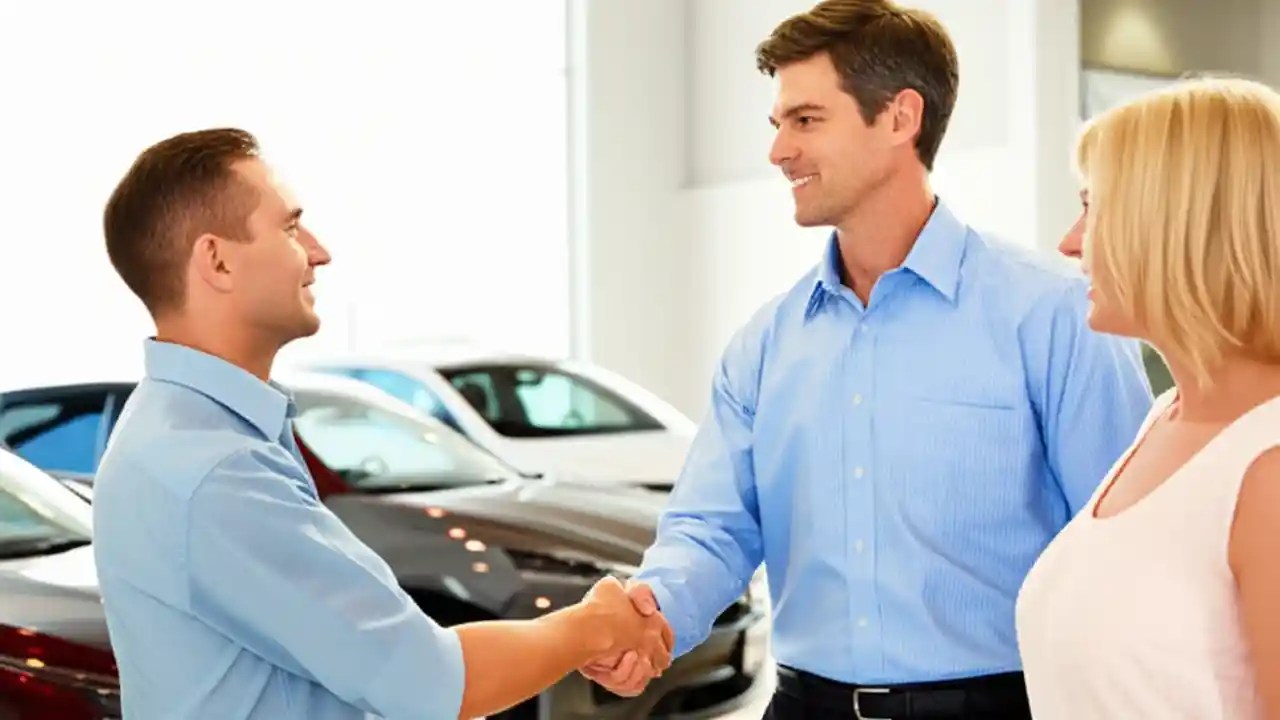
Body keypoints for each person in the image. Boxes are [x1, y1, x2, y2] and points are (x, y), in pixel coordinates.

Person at [580, 1, 1154, 718]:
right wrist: (652, 612)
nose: (778, 150)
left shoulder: (1055, 318)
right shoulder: (766, 343)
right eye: (778, 123)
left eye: (807, 120)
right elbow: (712, 528)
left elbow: (1124, 555)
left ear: (898, 118)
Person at [90, 127, 672, 720]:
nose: (318, 252)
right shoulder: (213, 469)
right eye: (290, 228)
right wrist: (593, 625)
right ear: (216, 260)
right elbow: (432, 684)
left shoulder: (177, 433)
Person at [1017, 77, 1280, 719]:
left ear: (1178, 226)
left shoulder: (1268, 470)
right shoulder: (1167, 417)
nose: (1070, 241)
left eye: (1093, 206)